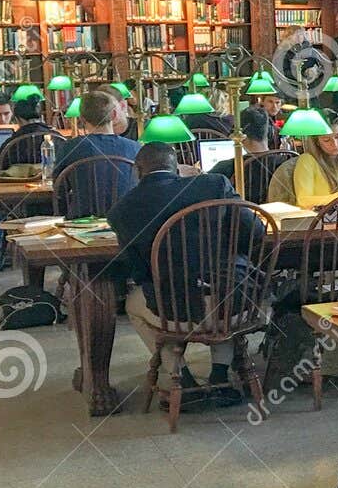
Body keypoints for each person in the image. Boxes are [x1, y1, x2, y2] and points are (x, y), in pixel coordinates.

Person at [109, 143, 266, 408]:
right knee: (225, 288)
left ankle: (182, 380)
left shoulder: (122, 212)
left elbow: (137, 272)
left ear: (137, 171)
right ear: (177, 168)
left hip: (176, 310)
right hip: (231, 303)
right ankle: (220, 376)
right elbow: (255, 233)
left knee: (133, 303)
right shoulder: (214, 185)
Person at [204, 106, 276, 203]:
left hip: (240, 216)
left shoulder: (226, 167)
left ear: (241, 136)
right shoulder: (285, 161)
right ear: (270, 133)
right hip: (279, 215)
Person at [292, 108, 338, 208]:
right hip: (321, 220)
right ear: (317, 142)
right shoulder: (307, 160)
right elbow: (303, 201)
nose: (335, 144)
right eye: (326, 140)